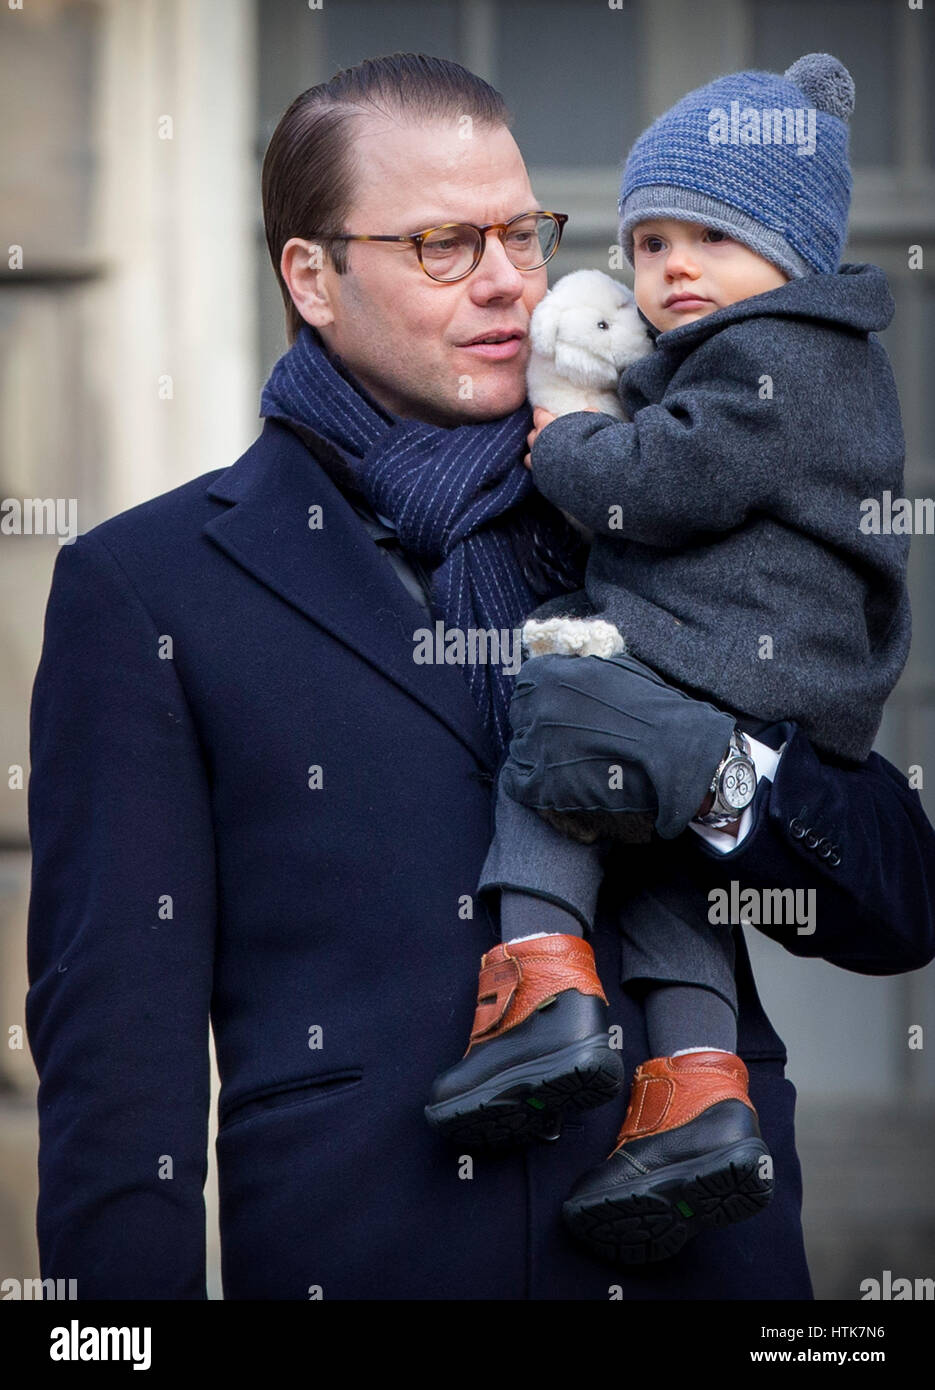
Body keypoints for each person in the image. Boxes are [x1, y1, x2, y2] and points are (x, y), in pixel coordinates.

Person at [25, 53, 935, 1301]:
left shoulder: (658, 500)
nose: (512, 279)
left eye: (522, 231)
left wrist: (717, 775)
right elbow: (116, 1068)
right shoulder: (147, 587)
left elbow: (895, 900)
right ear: (313, 276)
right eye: (446, 243)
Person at [426, 54, 914, 1267]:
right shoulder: (791, 354)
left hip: (740, 654)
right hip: (760, 653)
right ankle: (696, 1092)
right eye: (646, 244)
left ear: (792, 253)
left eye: (709, 236)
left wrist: (573, 442)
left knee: (558, 722)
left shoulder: (782, 355)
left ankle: (538, 981)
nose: (670, 268)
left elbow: (661, 482)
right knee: (660, 862)